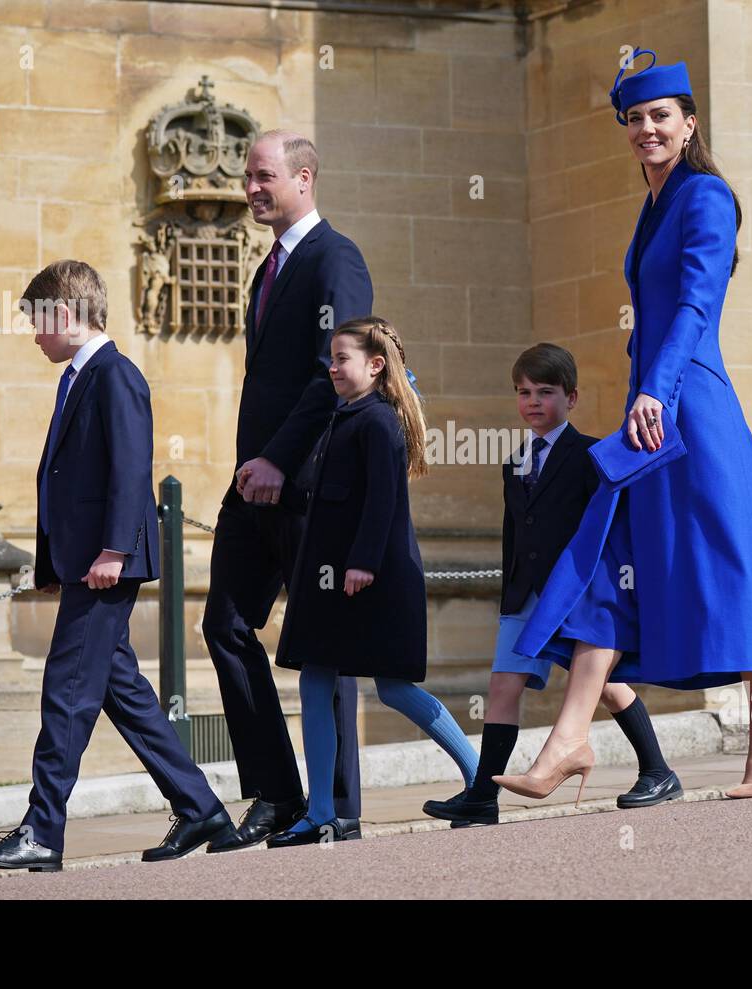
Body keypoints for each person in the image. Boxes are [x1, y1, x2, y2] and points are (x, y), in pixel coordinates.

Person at [494, 50, 752, 804]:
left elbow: (697, 307)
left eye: (661, 115)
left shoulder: (706, 197)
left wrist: (656, 392)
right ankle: (569, 739)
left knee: (736, 565)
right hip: (654, 405)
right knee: (604, 561)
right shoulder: (653, 202)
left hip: (691, 407)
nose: (646, 129)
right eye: (634, 119)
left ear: (689, 121)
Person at [0, 261, 236, 873]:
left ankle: (42, 832)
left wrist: (113, 550)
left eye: (36, 323)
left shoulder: (115, 375)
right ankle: (201, 810)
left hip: (106, 563)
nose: (34, 337)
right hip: (86, 563)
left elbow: (130, 467)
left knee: (64, 693)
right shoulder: (78, 377)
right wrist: (52, 562)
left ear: (63, 314)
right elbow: (60, 478)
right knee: (124, 694)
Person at [422, 343, 682, 827]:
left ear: (572, 398)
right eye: (523, 392)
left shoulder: (591, 456)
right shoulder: (514, 461)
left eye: (545, 391)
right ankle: (483, 796)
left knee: (604, 685)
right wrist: (508, 599)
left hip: (577, 592)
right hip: (525, 594)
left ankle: (658, 770)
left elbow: (607, 529)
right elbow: (513, 535)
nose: (533, 401)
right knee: (503, 685)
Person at [202, 132, 372, 853]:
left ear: (305, 177)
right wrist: (253, 465)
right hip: (257, 484)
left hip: (308, 481)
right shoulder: (266, 269)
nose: (251, 189)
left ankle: (336, 806)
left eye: (263, 176)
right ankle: (276, 793)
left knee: (321, 638)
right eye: (249, 178)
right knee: (225, 624)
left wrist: (278, 459)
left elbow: (333, 373)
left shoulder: (337, 258)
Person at [267, 317, 479, 846]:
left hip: (369, 579)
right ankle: (320, 813)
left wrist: (362, 563)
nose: (332, 368)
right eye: (331, 359)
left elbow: (384, 500)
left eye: (342, 359)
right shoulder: (345, 417)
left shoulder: (379, 421)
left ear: (375, 365)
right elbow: (331, 498)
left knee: (394, 688)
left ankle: (482, 779)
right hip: (329, 581)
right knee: (315, 680)